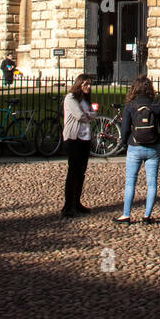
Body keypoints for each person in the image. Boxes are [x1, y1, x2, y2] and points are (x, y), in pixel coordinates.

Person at [116, 74, 160, 225]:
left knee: (130, 182)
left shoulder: (131, 105)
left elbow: (125, 128)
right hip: (153, 148)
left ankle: (126, 215)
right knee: (152, 183)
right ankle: (147, 216)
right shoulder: (156, 105)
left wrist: (126, 144)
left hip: (134, 146)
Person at [61, 73, 95, 218]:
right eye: (86, 84)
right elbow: (80, 115)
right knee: (73, 172)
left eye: (90, 84)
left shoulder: (85, 100)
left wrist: (90, 114)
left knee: (81, 172)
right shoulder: (70, 98)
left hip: (84, 139)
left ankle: (77, 202)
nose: (88, 87)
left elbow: (91, 113)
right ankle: (67, 206)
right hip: (73, 139)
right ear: (79, 84)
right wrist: (90, 115)